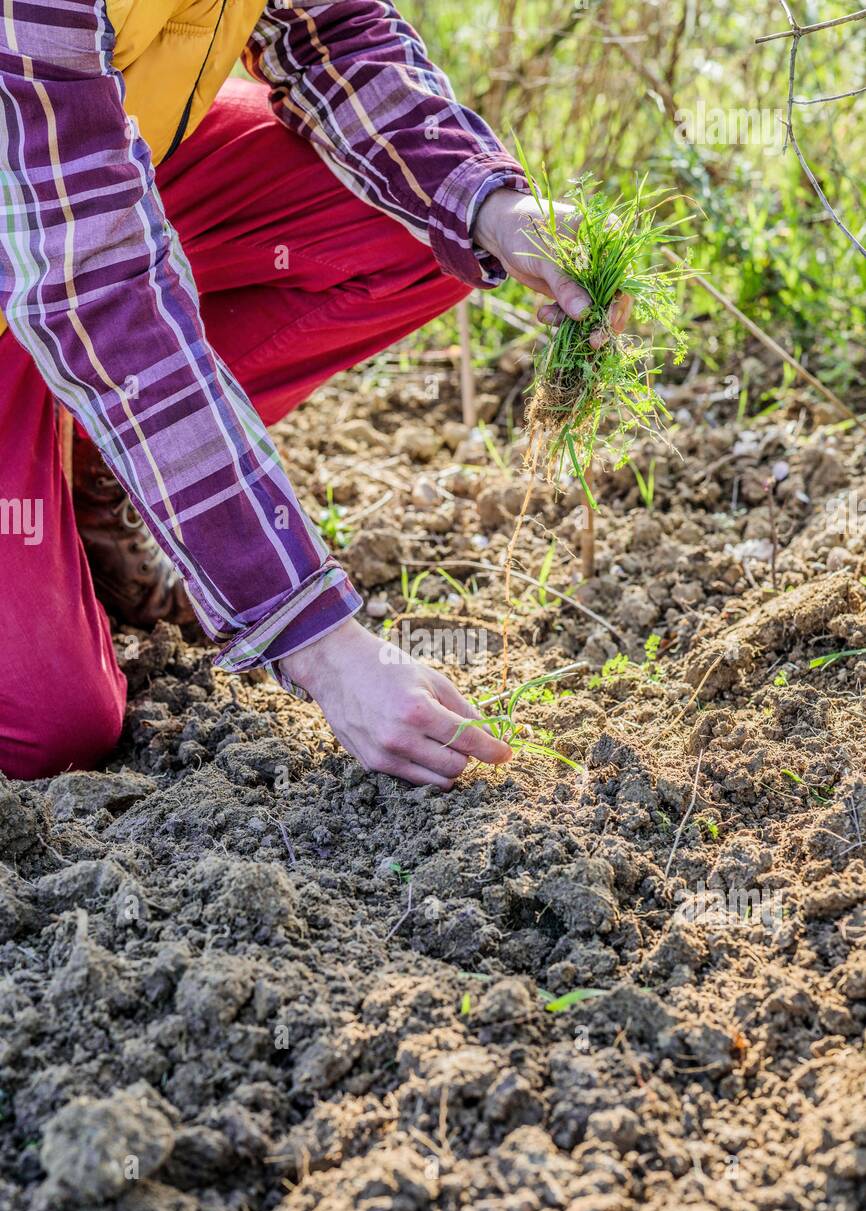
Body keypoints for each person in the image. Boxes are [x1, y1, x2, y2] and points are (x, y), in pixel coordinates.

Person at [0, 2, 629, 786]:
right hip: (60, 251)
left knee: (419, 221)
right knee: (53, 727)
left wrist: (490, 208)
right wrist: (322, 647)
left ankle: (97, 473)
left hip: (84, 180)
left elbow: (333, 32)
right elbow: (100, 296)